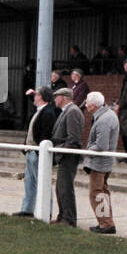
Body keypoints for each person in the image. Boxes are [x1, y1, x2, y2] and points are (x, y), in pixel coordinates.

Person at [15, 86, 57, 217]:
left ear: (41, 97)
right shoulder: (39, 110)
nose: (34, 96)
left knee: (42, 182)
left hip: (37, 152)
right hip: (30, 151)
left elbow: (45, 134)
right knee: (29, 182)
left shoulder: (48, 112)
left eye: (36, 95)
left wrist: (40, 151)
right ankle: (27, 209)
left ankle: (47, 212)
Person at [84, 91, 118, 234]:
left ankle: (106, 224)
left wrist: (86, 151)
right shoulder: (108, 115)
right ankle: (106, 222)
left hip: (100, 163)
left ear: (93, 105)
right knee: (102, 192)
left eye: (87, 102)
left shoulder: (104, 119)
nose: (85, 104)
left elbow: (101, 145)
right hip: (105, 162)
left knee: (96, 193)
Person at [49, 87, 84, 227]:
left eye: (56, 97)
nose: (54, 100)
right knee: (60, 188)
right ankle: (62, 216)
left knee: (65, 188)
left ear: (63, 97)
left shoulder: (73, 111)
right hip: (64, 154)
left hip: (69, 156)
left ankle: (68, 219)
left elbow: (73, 138)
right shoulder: (68, 111)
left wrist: (60, 150)